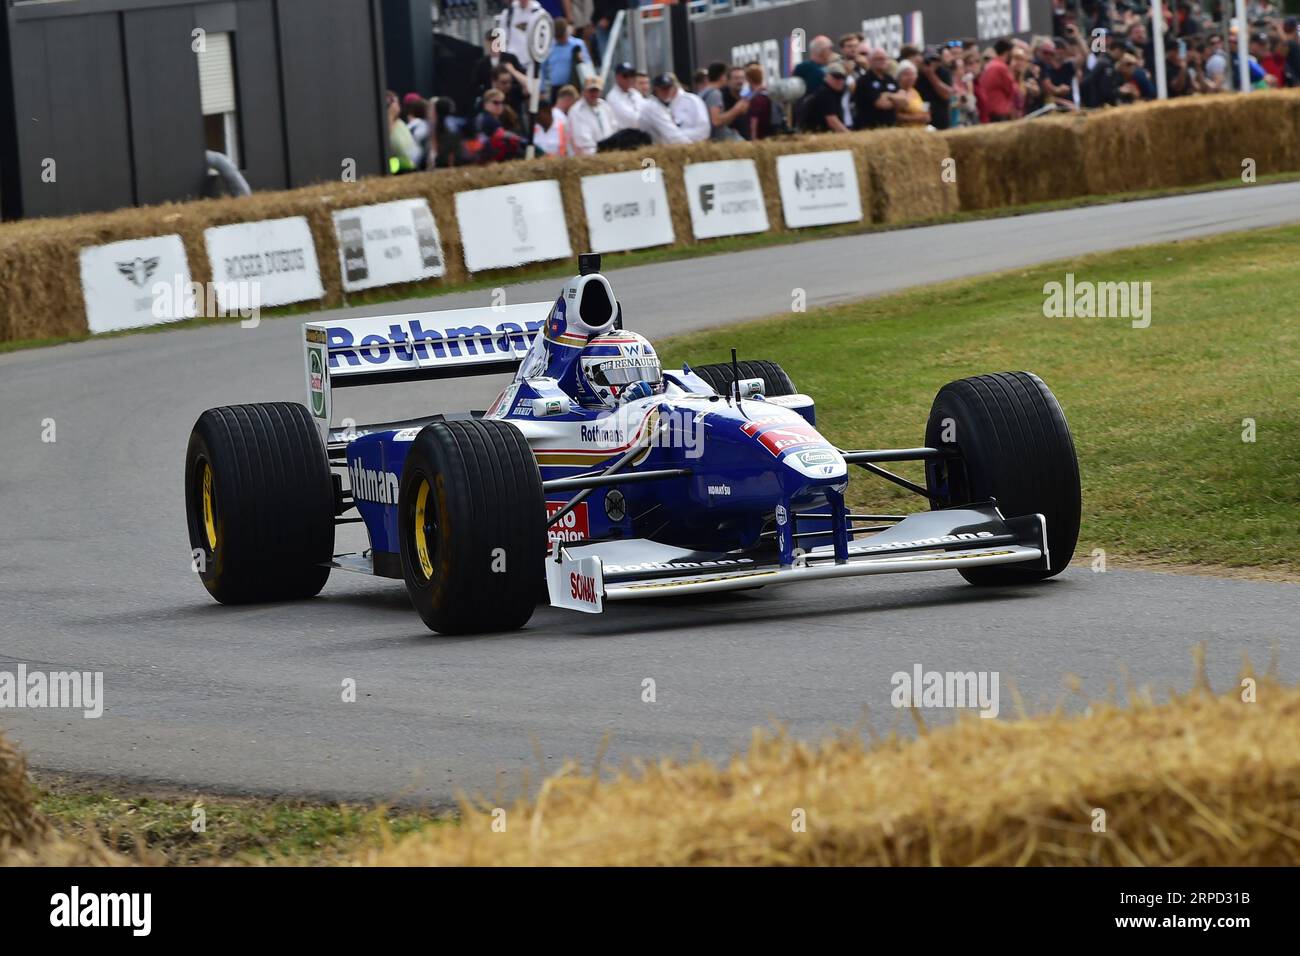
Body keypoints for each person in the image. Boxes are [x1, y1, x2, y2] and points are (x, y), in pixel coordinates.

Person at [568, 75, 619, 155]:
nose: (593, 94)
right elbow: (582, 140)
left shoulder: (605, 106)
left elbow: (613, 128)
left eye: (596, 91)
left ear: (600, 92)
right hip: (588, 154)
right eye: (591, 91)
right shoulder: (576, 110)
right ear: (584, 91)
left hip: (609, 151)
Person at [636, 73, 692, 145]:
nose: (667, 91)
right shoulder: (653, 107)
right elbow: (672, 136)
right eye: (663, 88)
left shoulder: (661, 104)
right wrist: (691, 146)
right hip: (652, 149)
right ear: (656, 89)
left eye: (669, 87)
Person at [854, 48, 902, 129]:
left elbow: (903, 103)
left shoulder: (890, 79)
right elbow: (881, 104)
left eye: (884, 59)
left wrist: (888, 95)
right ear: (870, 61)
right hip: (869, 128)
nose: (882, 61)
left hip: (890, 127)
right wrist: (895, 99)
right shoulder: (865, 80)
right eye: (878, 59)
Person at [701, 61, 749, 140]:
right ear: (722, 76)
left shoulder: (703, 92)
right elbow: (716, 121)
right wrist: (737, 109)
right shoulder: (715, 93)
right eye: (727, 76)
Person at [542, 18, 589, 94]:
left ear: (567, 32)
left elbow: (587, 65)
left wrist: (582, 60)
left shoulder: (578, 45)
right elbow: (542, 69)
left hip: (575, 86)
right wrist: (541, 89)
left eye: (563, 36)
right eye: (558, 38)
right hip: (555, 88)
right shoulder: (548, 47)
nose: (561, 40)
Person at [803, 60, 851, 132]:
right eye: (836, 77)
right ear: (826, 77)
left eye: (842, 78)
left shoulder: (834, 92)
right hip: (816, 135)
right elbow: (832, 121)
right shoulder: (825, 93)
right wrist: (850, 136)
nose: (840, 81)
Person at [915, 46, 955, 130]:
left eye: (935, 60)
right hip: (923, 120)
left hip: (941, 120)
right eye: (929, 60)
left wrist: (931, 75)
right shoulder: (917, 75)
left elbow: (946, 95)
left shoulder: (944, 72)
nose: (932, 63)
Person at [978, 39, 1017, 121]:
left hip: (991, 112)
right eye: (1012, 54)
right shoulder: (1001, 67)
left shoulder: (991, 65)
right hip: (1000, 113)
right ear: (1007, 53)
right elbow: (1012, 89)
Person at [501, 0, 546, 67]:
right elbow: (503, 38)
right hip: (512, 62)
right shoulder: (508, 13)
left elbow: (544, 39)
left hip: (533, 62)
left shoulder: (540, 13)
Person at [385, 91, 418, 173]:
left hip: (412, 166)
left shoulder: (400, 123)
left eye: (396, 103)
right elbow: (384, 141)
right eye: (392, 103)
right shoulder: (384, 124)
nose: (396, 106)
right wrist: (390, 116)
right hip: (396, 168)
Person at [606, 62, 645, 129]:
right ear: (617, 77)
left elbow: (646, 110)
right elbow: (632, 120)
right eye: (625, 75)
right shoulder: (613, 97)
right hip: (623, 135)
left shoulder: (635, 93)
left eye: (632, 75)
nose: (629, 79)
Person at [744, 62, 778, 140]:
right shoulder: (768, 93)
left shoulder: (757, 98)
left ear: (748, 79)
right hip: (771, 135)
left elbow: (754, 121)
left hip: (760, 137)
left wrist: (753, 139)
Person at [894, 61, 931, 126]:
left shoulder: (915, 91)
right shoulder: (897, 92)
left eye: (912, 74)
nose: (910, 77)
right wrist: (915, 118)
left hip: (920, 130)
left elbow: (923, 109)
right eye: (906, 74)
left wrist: (926, 116)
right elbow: (895, 116)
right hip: (905, 132)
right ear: (899, 76)